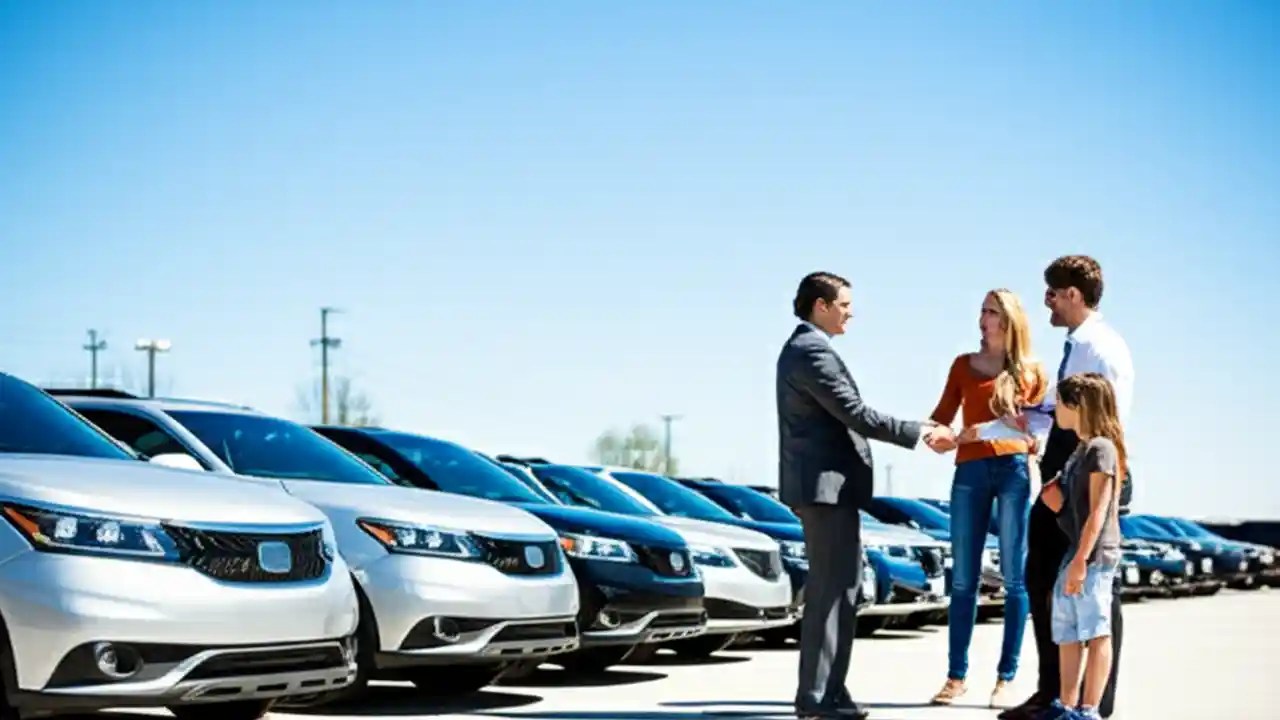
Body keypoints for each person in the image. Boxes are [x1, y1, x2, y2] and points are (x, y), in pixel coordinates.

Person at [776, 271, 953, 720]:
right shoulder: (810, 351)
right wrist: (917, 432)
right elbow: (854, 414)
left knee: (845, 589)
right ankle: (816, 698)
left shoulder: (813, 350)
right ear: (820, 306)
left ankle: (831, 692)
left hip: (833, 491)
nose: (851, 312)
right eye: (844, 304)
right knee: (830, 592)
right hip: (826, 490)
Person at [1002, 255, 1134, 720]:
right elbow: (1058, 408)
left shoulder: (1095, 348)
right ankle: (1061, 695)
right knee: (1054, 585)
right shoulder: (1086, 343)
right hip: (1071, 466)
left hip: (1089, 468)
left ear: (1073, 295)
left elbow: (1093, 413)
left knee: (1091, 593)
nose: (1047, 302)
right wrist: (1030, 417)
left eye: (1053, 294)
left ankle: (1088, 704)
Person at [925, 289, 1047, 709]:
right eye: (981, 310)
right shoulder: (963, 365)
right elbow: (940, 417)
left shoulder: (1031, 372)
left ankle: (1005, 679)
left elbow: (1042, 430)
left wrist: (1034, 443)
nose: (983, 318)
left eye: (992, 312)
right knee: (963, 578)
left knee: (1015, 578)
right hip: (970, 471)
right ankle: (955, 677)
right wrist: (936, 435)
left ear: (1009, 321)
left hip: (1014, 472)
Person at [1036, 372, 1127, 720]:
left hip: (1093, 557)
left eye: (1059, 402)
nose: (1055, 409)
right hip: (1076, 552)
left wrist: (1081, 561)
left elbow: (1100, 512)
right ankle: (1067, 705)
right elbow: (1072, 508)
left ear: (1078, 406)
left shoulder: (1102, 449)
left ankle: (1088, 711)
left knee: (1096, 629)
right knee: (1069, 631)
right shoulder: (1080, 451)